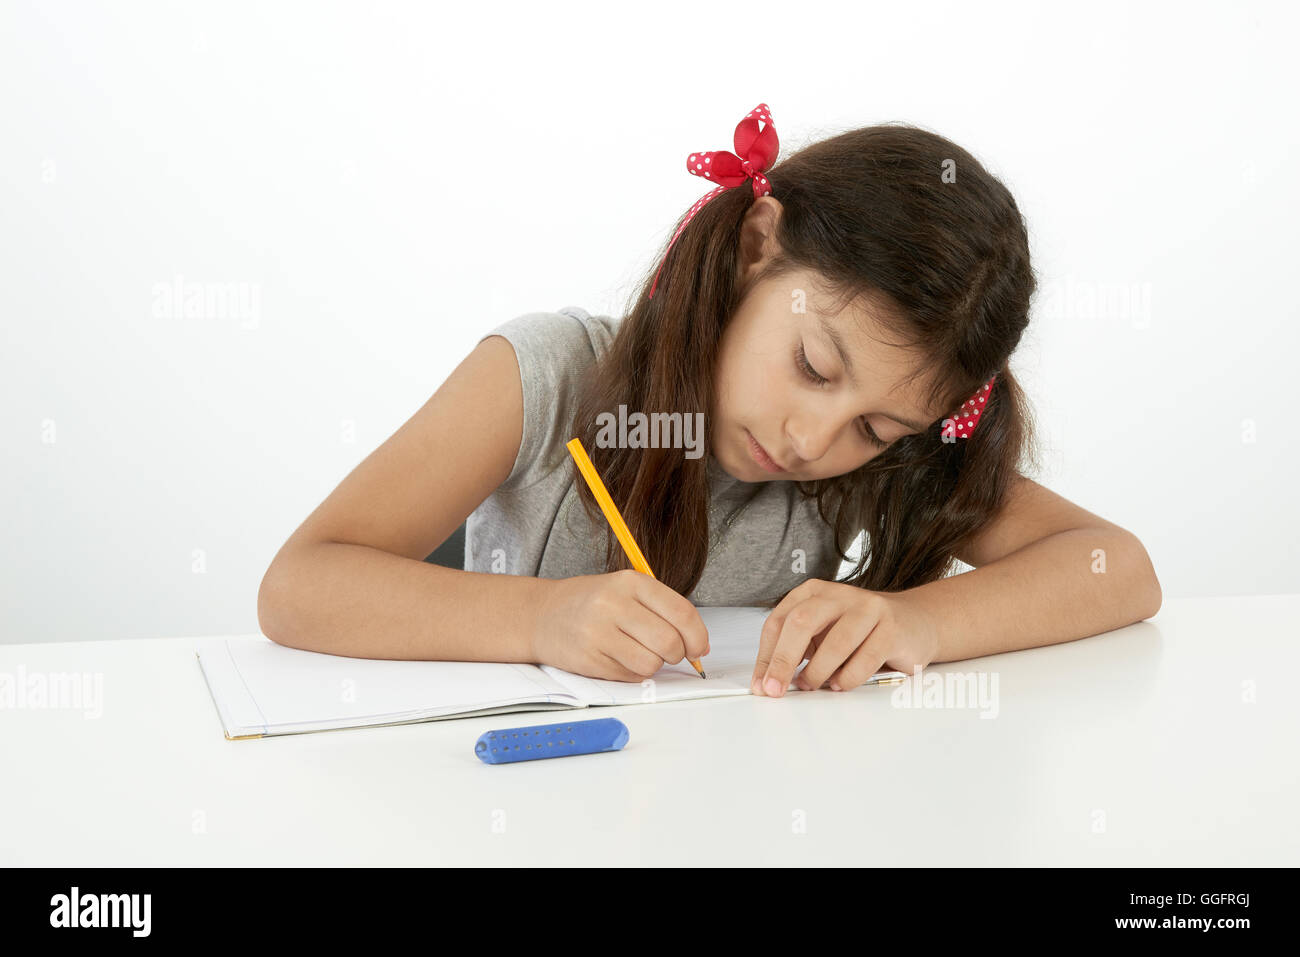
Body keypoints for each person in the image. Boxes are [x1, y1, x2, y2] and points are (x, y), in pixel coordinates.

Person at [257, 106, 1161, 699]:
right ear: (756, 247)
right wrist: (540, 618)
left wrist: (916, 619)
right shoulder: (549, 375)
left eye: (878, 427)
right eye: (812, 364)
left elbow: (1115, 566)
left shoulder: (886, 465)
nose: (812, 440)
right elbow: (302, 582)